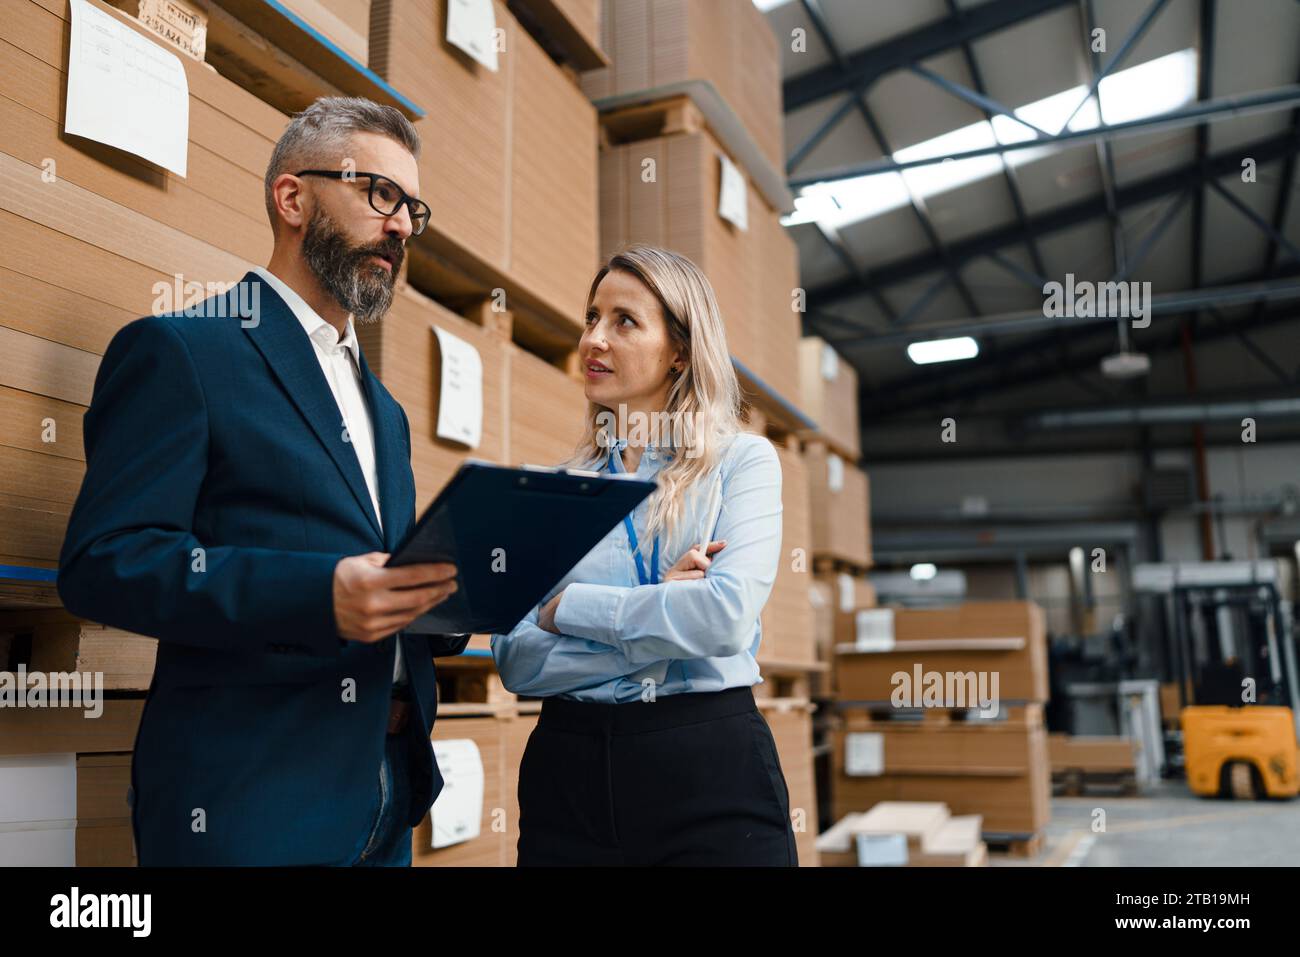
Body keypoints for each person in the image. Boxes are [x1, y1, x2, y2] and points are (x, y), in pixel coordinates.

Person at [57, 97, 467, 866]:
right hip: (250, 801)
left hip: (383, 797)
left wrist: (452, 595)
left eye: (412, 207)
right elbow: (103, 563)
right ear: (292, 197)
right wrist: (321, 594)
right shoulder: (184, 352)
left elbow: (376, 572)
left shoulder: (387, 412)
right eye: (380, 194)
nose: (403, 225)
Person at [492, 244, 798, 866]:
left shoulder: (741, 462)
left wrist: (569, 607)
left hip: (708, 767)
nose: (594, 340)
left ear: (680, 349)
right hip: (567, 774)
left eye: (624, 321)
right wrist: (660, 612)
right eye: (590, 318)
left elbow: (724, 617)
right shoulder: (554, 489)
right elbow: (517, 660)